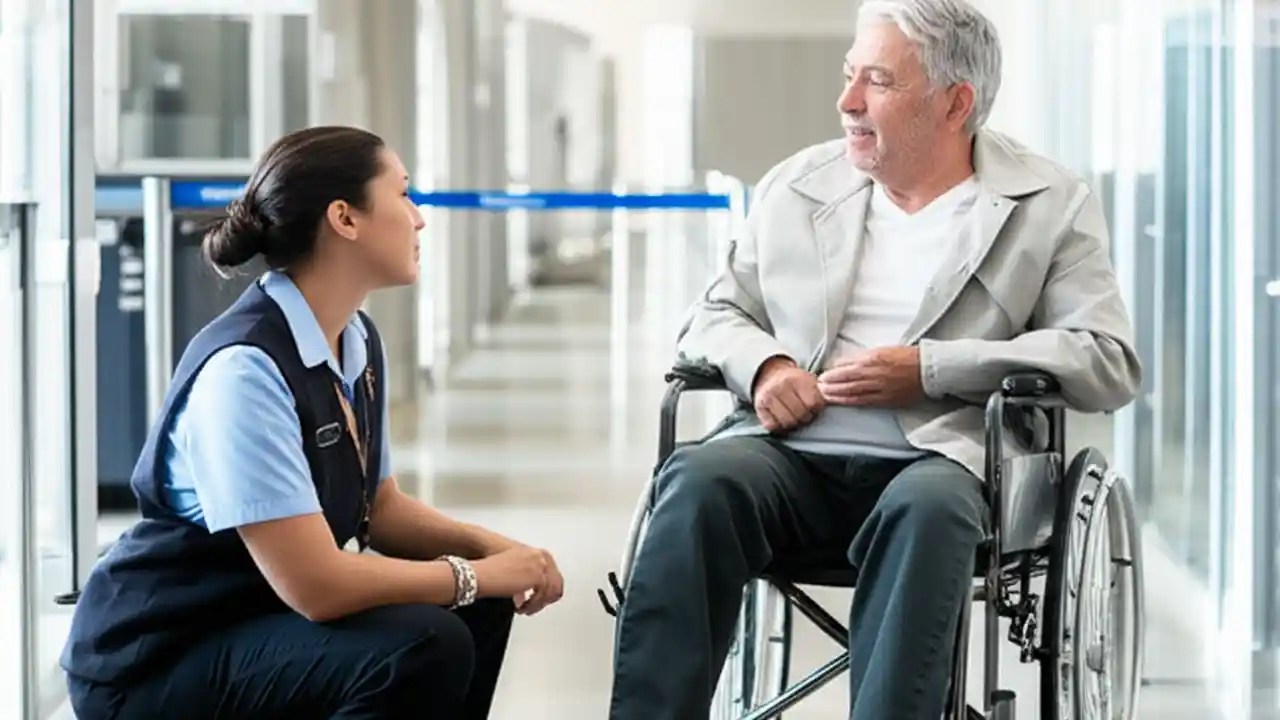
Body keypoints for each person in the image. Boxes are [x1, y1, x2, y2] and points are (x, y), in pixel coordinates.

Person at [608, 1, 1142, 718]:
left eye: (879, 82)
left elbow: (1105, 358)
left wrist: (931, 369)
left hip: (942, 463)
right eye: (848, 76)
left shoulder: (1049, 204)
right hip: (787, 457)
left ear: (957, 104)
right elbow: (714, 314)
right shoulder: (798, 185)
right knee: (699, 481)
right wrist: (767, 366)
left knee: (930, 511)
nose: (847, 102)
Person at [61, 125, 565, 719]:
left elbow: (381, 508)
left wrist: (498, 554)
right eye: (403, 195)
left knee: (477, 607)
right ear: (344, 218)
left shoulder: (353, 337)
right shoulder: (245, 371)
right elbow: (318, 588)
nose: (420, 218)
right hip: (156, 660)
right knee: (429, 640)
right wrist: (472, 575)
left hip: (253, 622)